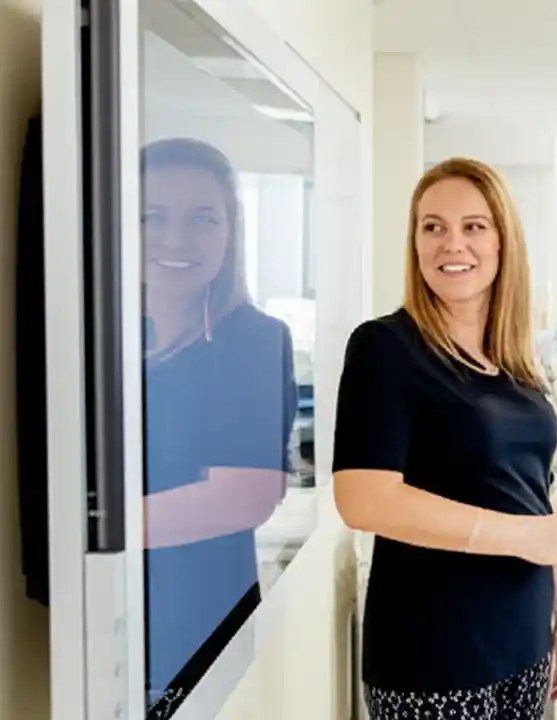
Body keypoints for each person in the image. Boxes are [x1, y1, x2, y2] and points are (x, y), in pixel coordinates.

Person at [332, 158, 557, 719]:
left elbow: (532, 498)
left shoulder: (515, 362)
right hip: (435, 657)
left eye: (474, 226)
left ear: (503, 241)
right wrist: (521, 536)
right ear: (416, 242)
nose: (453, 244)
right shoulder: (386, 348)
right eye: (433, 227)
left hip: (524, 643)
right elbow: (362, 498)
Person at [139, 138, 297, 718]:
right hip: (95, 612)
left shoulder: (251, 339)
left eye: (202, 218)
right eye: (151, 216)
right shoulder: (92, 334)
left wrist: (89, 529)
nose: (173, 238)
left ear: (231, 232)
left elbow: (244, 496)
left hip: (201, 619)